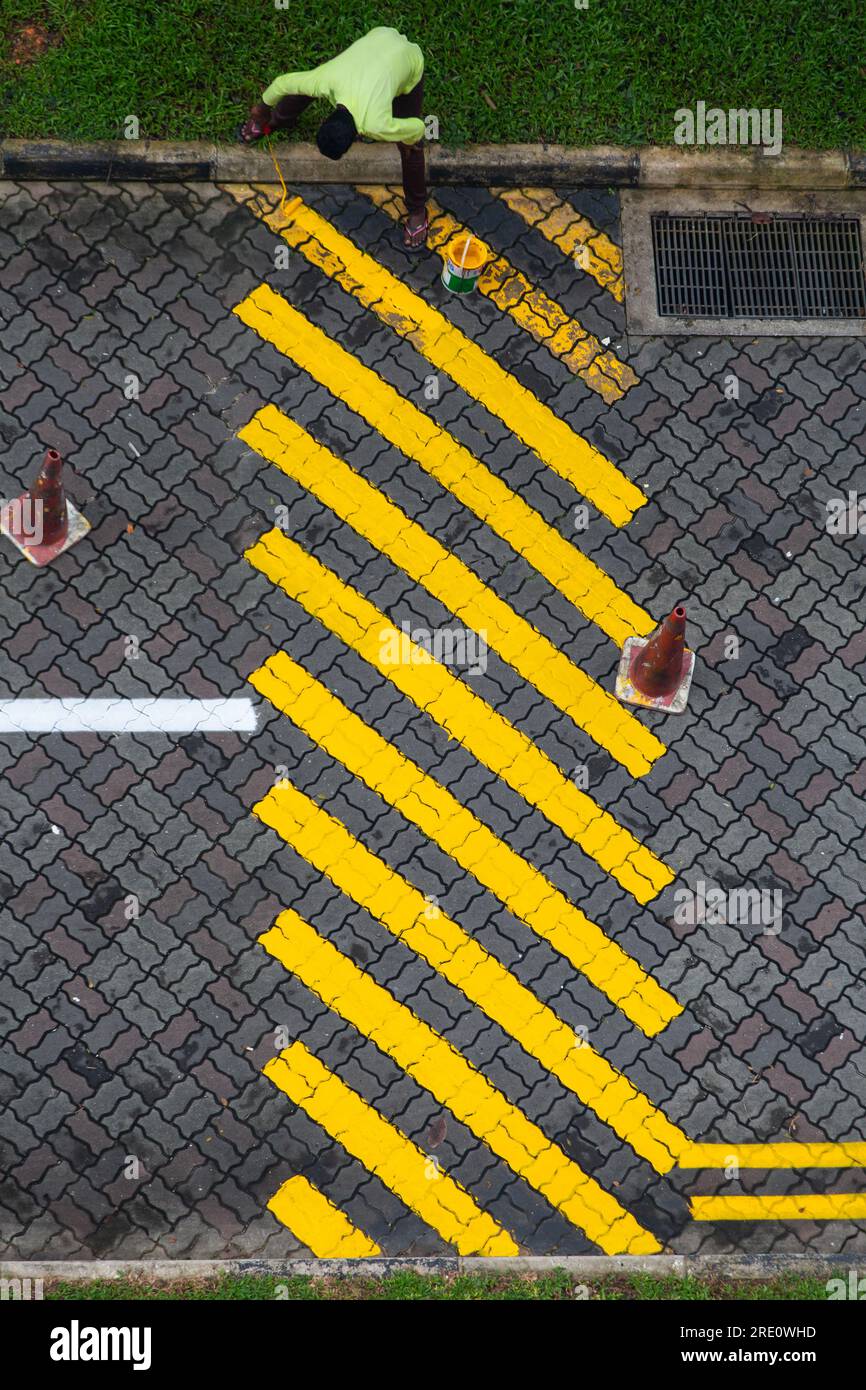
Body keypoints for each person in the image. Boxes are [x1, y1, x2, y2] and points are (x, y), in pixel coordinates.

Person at [239, 26, 429, 251]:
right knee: (304, 87)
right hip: (380, 37)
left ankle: (418, 211)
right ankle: (280, 120)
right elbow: (282, 83)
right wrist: (261, 111)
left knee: (411, 149)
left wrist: (409, 138)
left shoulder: (377, 124)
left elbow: (417, 127)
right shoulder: (325, 80)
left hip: (409, 59)